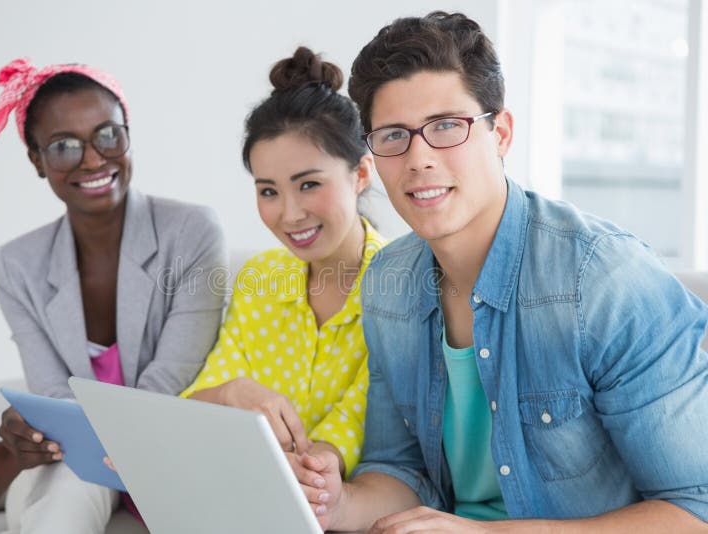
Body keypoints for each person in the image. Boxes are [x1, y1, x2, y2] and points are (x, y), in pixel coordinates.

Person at [292, 12, 708, 532]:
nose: (419, 158)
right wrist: (336, 502)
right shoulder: (386, 283)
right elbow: (401, 470)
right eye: (395, 135)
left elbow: (696, 509)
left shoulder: (605, 280)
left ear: (501, 133)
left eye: (447, 126)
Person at [0, 58, 227, 533]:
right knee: (67, 492)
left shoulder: (191, 231)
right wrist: (28, 443)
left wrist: (17, 453)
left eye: (108, 135)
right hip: (74, 463)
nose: (93, 160)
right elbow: (52, 395)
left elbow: (169, 383)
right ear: (36, 160)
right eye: (63, 146)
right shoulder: (17, 265)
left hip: (163, 450)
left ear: (128, 135)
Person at [180, 46, 387, 480]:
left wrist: (313, 467)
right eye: (269, 191)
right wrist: (231, 393)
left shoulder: (400, 281)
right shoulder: (261, 277)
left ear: (361, 174)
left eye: (308, 184)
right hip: (256, 486)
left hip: (347, 497)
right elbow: (197, 401)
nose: (290, 214)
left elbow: (359, 416)